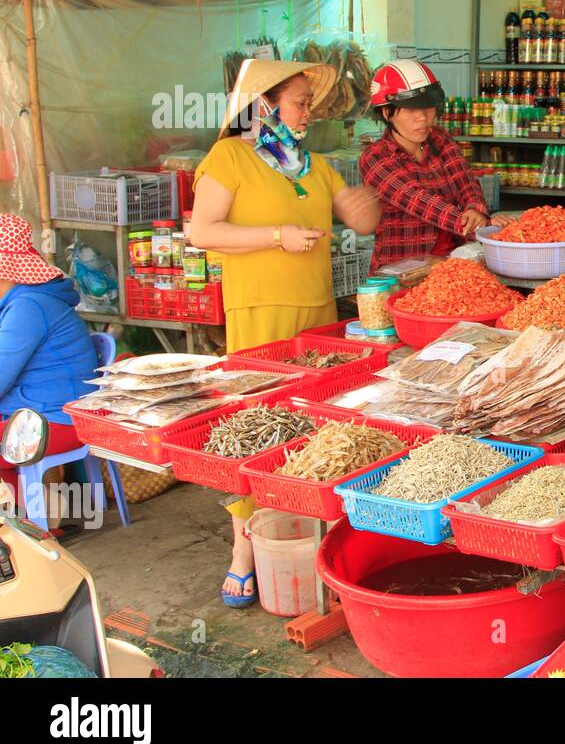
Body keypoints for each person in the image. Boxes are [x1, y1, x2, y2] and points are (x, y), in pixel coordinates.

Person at [188, 58, 380, 608]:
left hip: (317, 316)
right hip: (261, 312)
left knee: (315, 429)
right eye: (299, 101)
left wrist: (365, 205)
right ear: (264, 105)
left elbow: (360, 220)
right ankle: (243, 550)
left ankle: (308, 539)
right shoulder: (230, 157)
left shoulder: (313, 165)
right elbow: (202, 231)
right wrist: (277, 235)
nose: (308, 112)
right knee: (256, 428)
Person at [0, 213, 98, 524]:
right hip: (35, 414)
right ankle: (32, 520)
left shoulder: (29, 306)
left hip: (56, 421)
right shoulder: (21, 301)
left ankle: (30, 528)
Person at [360, 60, 490, 271]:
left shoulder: (440, 139)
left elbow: (465, 182)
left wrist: (475, 208)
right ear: (387, 113)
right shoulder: (374, 158)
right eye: (411, 110)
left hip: (451, 263)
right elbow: (418, 200)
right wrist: (476, 225)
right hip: (403, 270)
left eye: (428, 108)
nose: (423, 118)